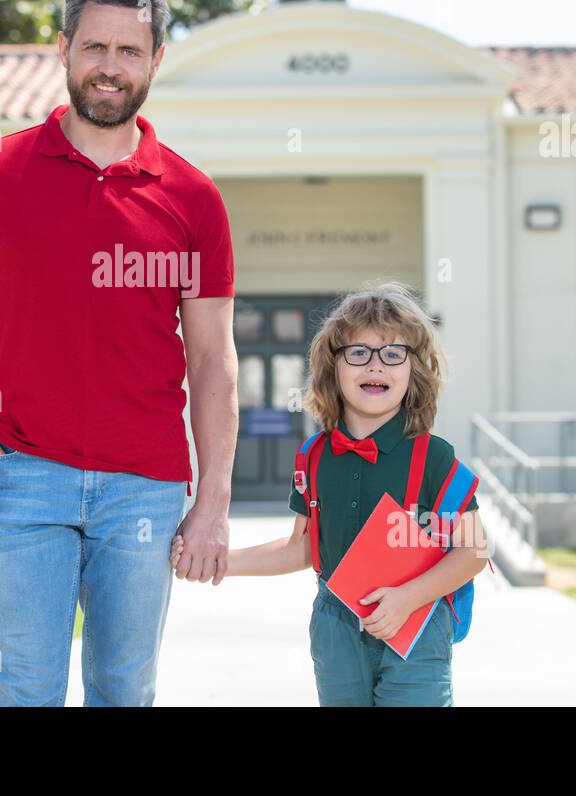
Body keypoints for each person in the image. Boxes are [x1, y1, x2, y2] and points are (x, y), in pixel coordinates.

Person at [0, 0, 238, 706]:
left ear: (156, 60)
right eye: (94, 47)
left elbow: (214, 359)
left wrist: (211, 497)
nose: (109, 67)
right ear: (62, 49)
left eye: (128, 50)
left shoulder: (194, 198)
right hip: (23, 481)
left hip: (146, 490)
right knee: (25, 688)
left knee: (124, 690)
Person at [171, 280, 490, 706]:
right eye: (358, 353)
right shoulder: (313, 456)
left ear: (412, 370)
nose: (375, 366)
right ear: (332, 368)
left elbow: (474, 552)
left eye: (393, 354)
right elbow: (301, 550)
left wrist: (408, 597)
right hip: (335, 625)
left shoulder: (433, 456)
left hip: (416, 619)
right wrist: (219, 562)